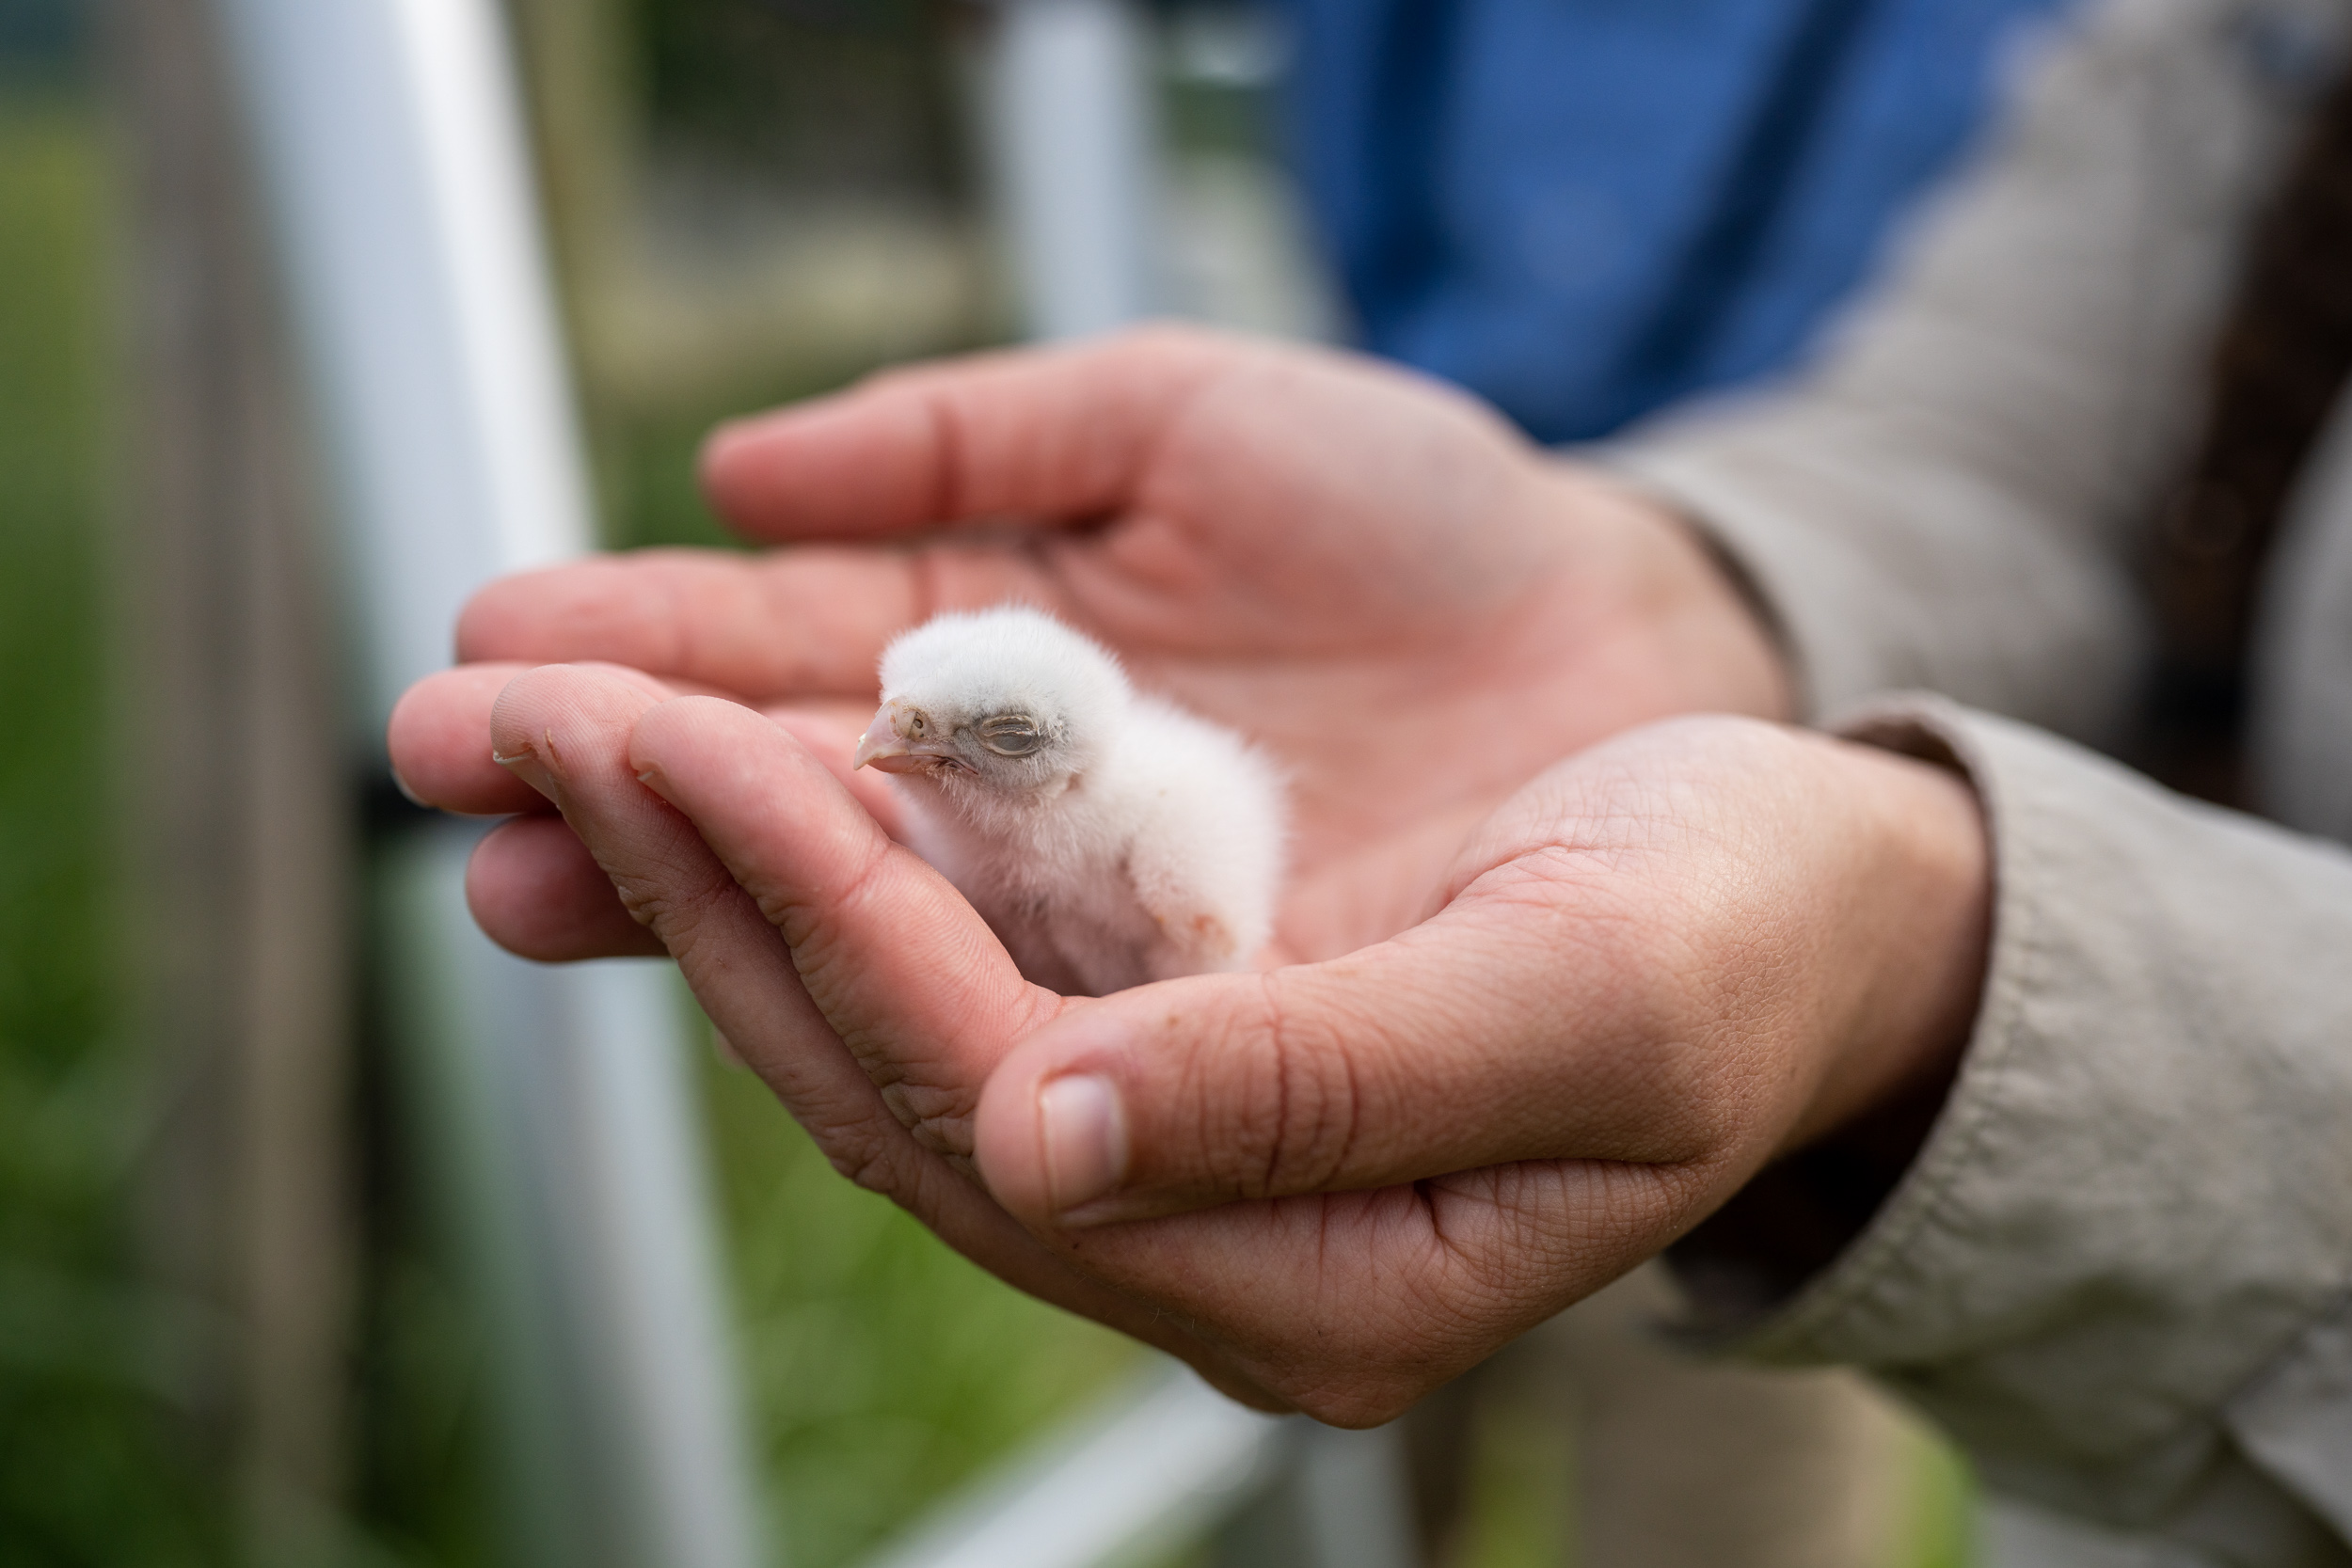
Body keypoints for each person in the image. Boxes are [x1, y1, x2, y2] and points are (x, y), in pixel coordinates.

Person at [387, 0, 2352, 1559]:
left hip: (2075, 1283)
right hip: (1592, 496)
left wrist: (1958, 981)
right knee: (1365, 1393)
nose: (903, 764)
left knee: (1693, 1474)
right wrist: (1705, 574)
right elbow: (2069, 366)